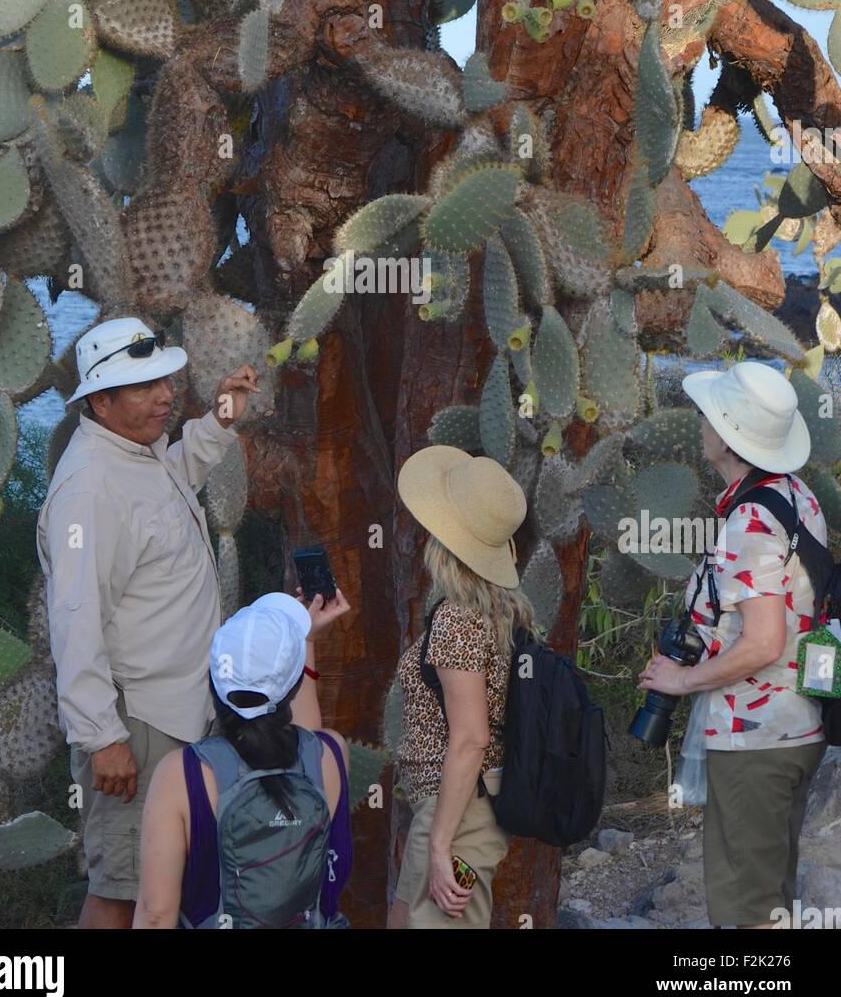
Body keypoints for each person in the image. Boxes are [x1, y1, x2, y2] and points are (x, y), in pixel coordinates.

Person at [36, 315, 260, 929]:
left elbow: (179, 475)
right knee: (123, 889)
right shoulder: (89, 489)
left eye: (166, 379)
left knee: (158, 884)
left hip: (176, 712)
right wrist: (101, 736)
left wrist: (219, 419)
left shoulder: (140, 452)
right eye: (145, 386)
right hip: (136, 726)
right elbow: (75, 619)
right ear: (101, 402)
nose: (165, 395)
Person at [639, 359, 828, 930]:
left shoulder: (749, 521)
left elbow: (765, 639)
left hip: (757, 740)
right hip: (795, 724)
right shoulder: (796, 495)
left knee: (750, 917)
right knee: (769, 897)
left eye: (708, 415)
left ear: (725, 436)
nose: (700, 423)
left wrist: (682, 679)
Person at [132, 589, 353, 928]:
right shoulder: (331, 755)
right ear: (293, 687)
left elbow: (156, 914)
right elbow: (304, 742)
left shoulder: (183, 775)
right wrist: (306, 646)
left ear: (213, 681)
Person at [388, 445, 535, 929]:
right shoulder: (503, 610)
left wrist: (439, 843)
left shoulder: (457, 619)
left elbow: (470, 738)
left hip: (457, 812)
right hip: (466, 806)